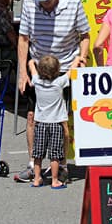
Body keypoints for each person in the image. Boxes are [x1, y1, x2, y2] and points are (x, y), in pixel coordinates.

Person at [15, 0, 90, 184]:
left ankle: (62, 165)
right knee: (32, 117)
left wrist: (82, 59)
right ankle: (33, 164)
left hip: (65, 67)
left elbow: (85, 35)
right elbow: (23, 39)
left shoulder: (73, 3)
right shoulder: (30, 3)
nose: (43, 3)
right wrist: (23, 73)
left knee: (62, 122)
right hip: (39, 69)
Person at [27, 54, 70, 189]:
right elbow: (71, 72)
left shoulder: (37, 82)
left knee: (38, 154)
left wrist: (31, 63)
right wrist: (77, 60)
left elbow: (32, 70)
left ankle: (37, 178)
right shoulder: (59, 83)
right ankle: (55, 180)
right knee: (55, 155)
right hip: (56, 124)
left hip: (40, 123)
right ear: (57, 70)